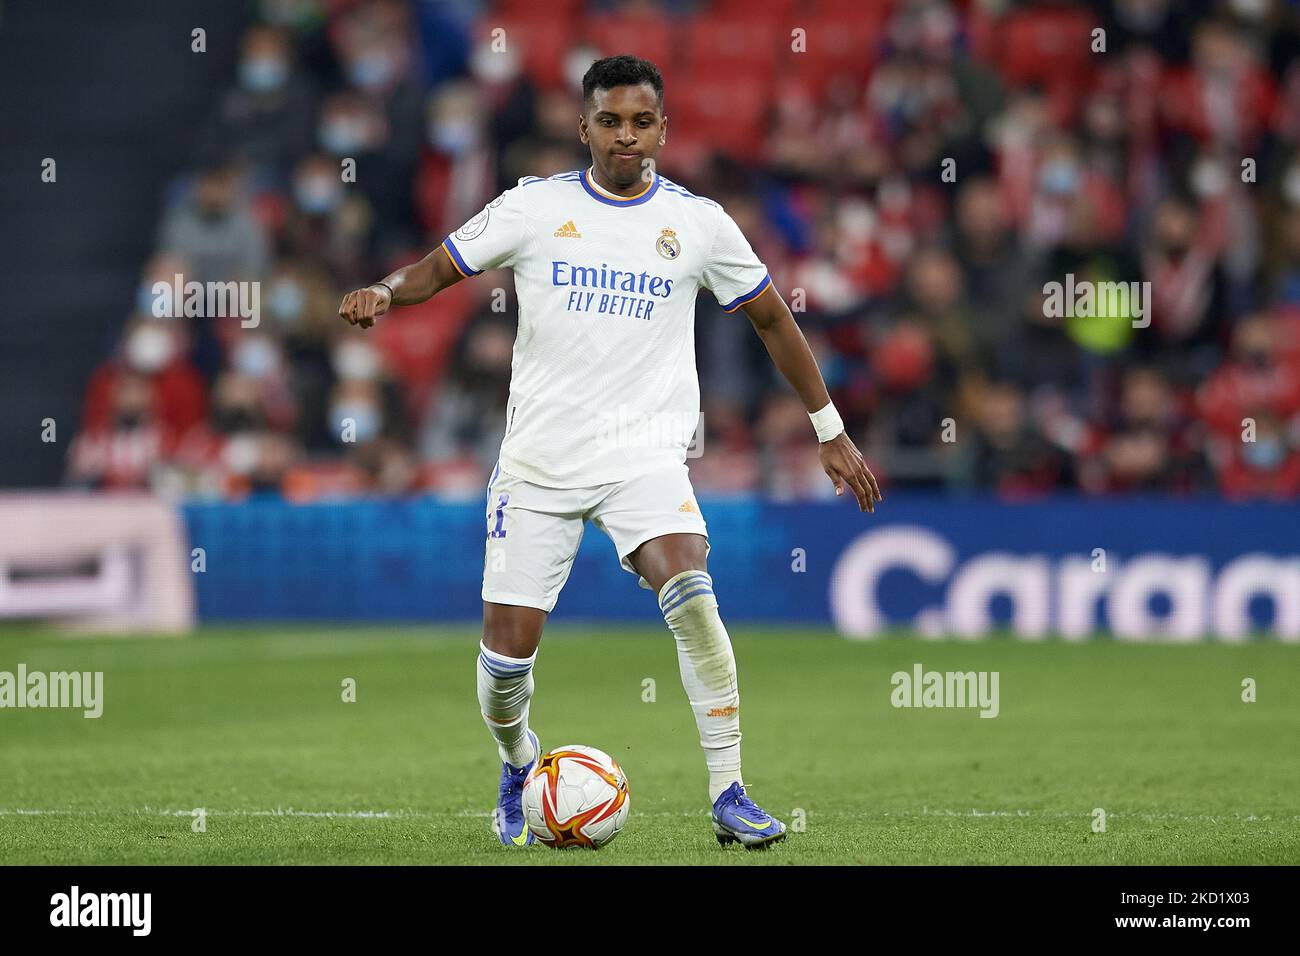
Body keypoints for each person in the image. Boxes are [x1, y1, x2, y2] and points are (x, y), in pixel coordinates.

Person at [338, 55, 881, 849]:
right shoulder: (532, 207)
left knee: (694, 597)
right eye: (611, 121)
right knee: (503, 673)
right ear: (583, 126)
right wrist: (386, 290)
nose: (626, 136)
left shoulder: (699, 224)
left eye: (641, 121)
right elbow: (435, 270)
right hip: (538, 464)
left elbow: (772, 319)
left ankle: (729, 791)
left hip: (644, 458)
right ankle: (519, 758)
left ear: (663, 128)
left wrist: (829, 429)